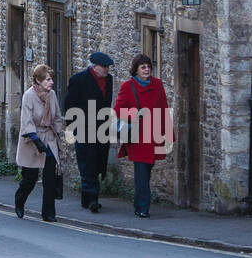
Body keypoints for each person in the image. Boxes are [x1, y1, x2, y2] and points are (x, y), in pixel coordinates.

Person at [114, 53, 173, 218]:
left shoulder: (157, 84)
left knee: (147, 169)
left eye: (148, 66)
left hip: (153, 134)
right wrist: (135, 114)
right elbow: (117, 110)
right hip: (137, 135)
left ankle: (139, 202)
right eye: (143, 67)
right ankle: (142, 207)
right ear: (136, 70)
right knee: (141, 171)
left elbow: (164, 107)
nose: (147, 69)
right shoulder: (128, 86)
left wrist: (168, 133)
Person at [63, 51, 116, 213]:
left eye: (108, 67)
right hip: (84, 129)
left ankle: (87, 198)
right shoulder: (79, 80)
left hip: (102, 129)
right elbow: (69, 104)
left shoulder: (109, 80)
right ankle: (93, 199)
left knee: (99, 163)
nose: (107, 70)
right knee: (87, 164)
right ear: (95, 66)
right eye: (104, 67)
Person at [15, 63, 62, 221]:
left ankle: (48, 213)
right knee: (30, 179)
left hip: (48, 139)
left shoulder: (52, 95)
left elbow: (57, 117)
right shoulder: (29, 96)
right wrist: (35, 140)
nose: (51, 82)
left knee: (50, 179)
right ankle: (20, 201)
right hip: (32, 140)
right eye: (48, 79)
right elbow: (26, 121)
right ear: (38, 81)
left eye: (51, 79)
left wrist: (58, 134)